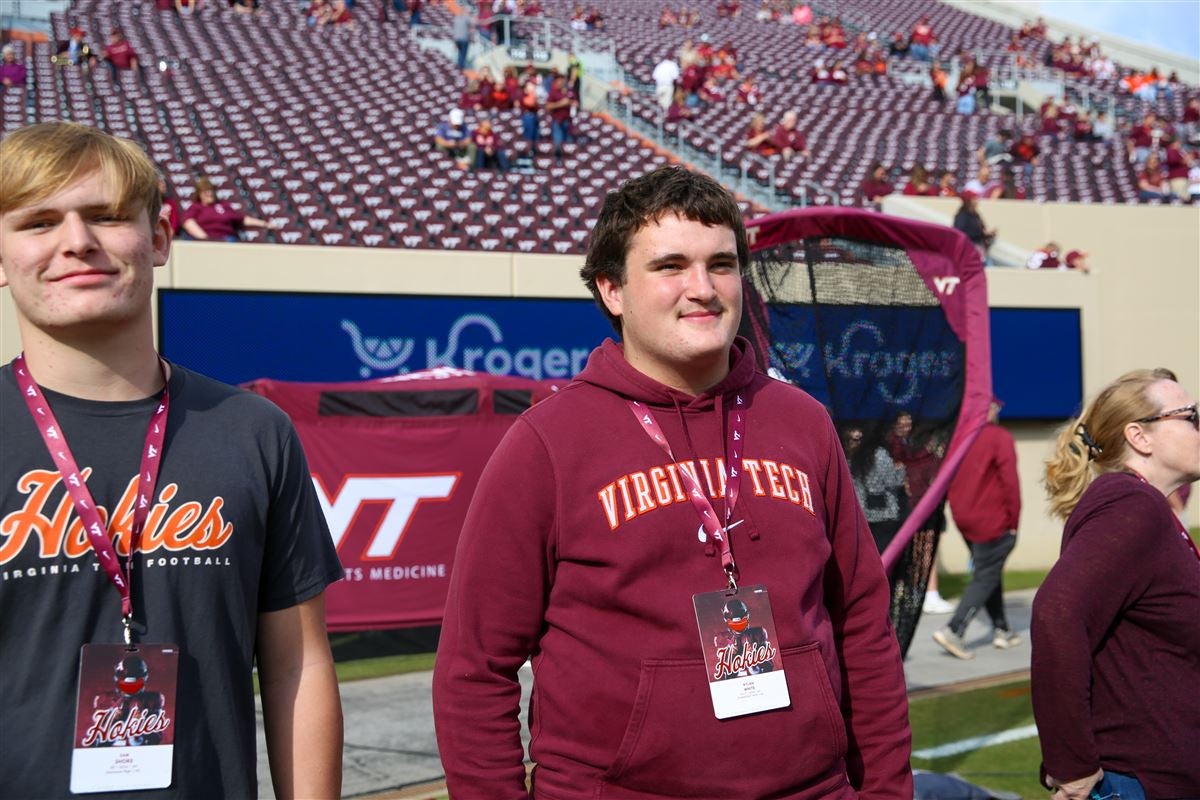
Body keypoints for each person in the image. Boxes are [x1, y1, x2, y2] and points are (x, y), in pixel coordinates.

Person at [432, 166, 912, 798]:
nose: (703, 288)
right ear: (612, 289)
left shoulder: (805, 423)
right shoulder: (546, 443)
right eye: (670, 267)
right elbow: (475, 670)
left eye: (721, 264)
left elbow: (863, 630)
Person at [0, 122, 344, 797]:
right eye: (40, 222)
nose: (77, 242)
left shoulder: (253, 432)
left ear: (157, 239)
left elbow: (296, 666)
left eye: (105, 216)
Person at [1034, 368, 1200, 800]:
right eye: (1190, 416)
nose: (1199, 426)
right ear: (1139, 437)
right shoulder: (1130, 504)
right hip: (1133, 782)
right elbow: (1057, 613)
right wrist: (1071, 765)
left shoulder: (1147, 508)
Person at [933, 399, 1021, 659]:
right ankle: (954, 629)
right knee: (986, 575)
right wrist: (1014, 523)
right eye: (995, 407)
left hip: (965, 520)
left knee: (989, 571)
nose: (997, 412)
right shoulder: (998, 437)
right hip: (993, 520)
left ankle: (1001, 629)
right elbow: (1010, 483)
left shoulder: (958, 439)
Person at [180, 176, 274, 241]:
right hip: (208, 240)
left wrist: (265, 224)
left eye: (211, 191)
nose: (209, 194)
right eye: (205, 191)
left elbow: (242, 219)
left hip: (228, 239)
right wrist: (205, 239)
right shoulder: (196, 207)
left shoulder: (223, 206)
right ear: (199, 194)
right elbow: (188, 222)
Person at [953, 192, 995, 263]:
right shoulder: (962, 216)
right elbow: (959, 232)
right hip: (970, 248)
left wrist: (986, 233)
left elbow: (981, 228)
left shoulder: (975, 215)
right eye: (974, 199)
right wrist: (981, 233)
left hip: (979, 247)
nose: (977, 201)